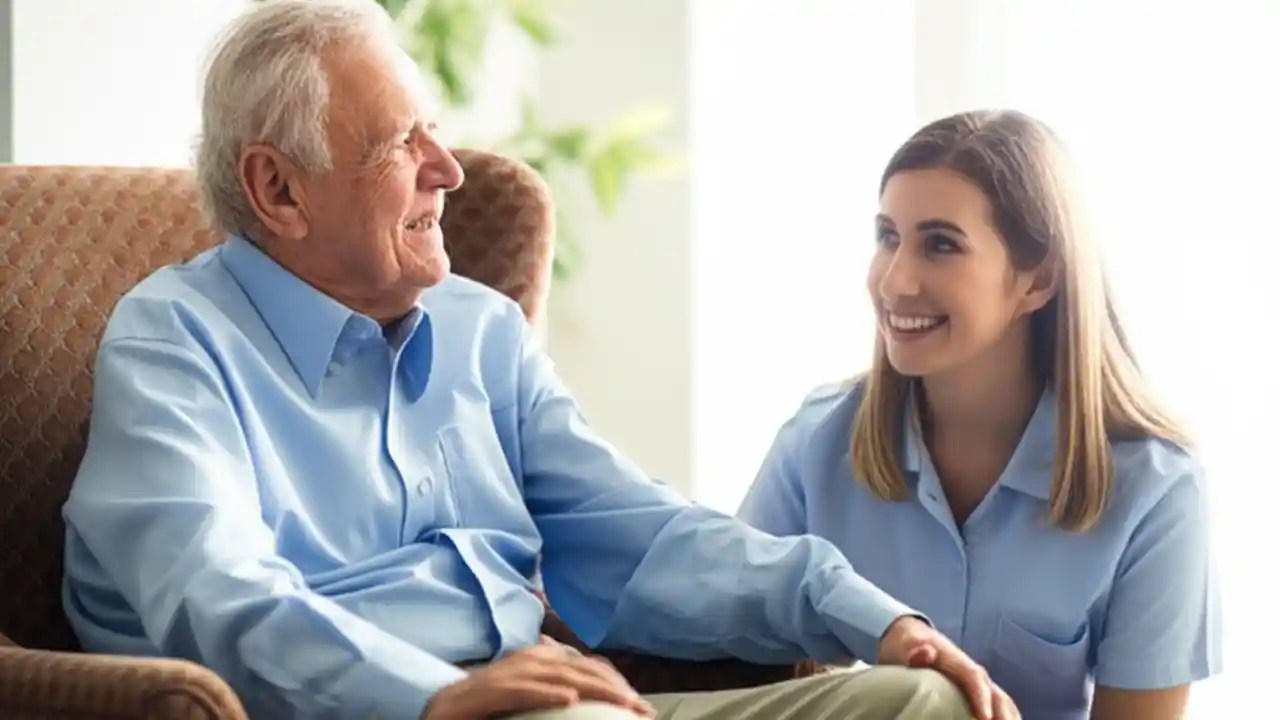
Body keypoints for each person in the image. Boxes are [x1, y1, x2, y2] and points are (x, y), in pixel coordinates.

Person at [59, 2, 1016, 719]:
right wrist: (431, 695)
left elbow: (648, 538)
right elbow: (215, 589)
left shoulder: (480, 332)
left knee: (916, 704)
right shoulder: (175, 344)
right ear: (279, 188)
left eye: (434, 126)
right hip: (364, 709)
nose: (449, 166)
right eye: (402, 141)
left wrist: (880, 620)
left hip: (554, 708)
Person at [736, 109, 1223, 719]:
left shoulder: (1156, 487)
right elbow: (742, 668)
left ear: (1037, 277)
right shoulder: (817, 441)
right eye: (888, 236)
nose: (896, 281)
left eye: (941, 245)